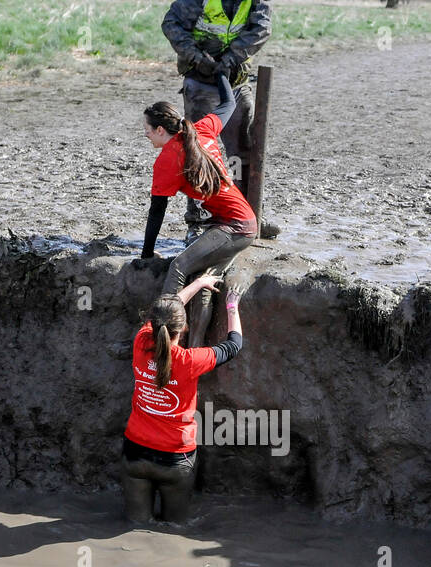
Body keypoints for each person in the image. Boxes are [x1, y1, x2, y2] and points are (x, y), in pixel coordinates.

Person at [142, 73, 257, 347]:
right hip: (238, 222)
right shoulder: (201, 130)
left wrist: (147, 253)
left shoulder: (167, 160)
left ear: (160, 130)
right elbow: (228, 103)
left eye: (147, 129)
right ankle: (191, 349)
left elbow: (156, 212)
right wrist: (220, 74)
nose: (144, 134)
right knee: (203, 283)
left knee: (179, 267)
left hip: (235, 227)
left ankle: (162, 339)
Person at [122, 275, 244, 523]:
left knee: (136, 525)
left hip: (135, 454)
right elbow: (234, 345)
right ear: (184, 328)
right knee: (176, 530)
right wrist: (232, 306)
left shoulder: (140, 341)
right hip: (175, 460)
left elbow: (169, 308)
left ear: (153, 324)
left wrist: (198, 284)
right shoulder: (190, 361)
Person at [161, 0, 278, 239]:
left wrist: (231, 58)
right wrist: (197, 57)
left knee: (241, 152)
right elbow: (172, 24)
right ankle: (199, 222)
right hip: (200, 82)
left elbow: (261, 28)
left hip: (236, 82)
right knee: (197, 152)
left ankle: (246, 215)